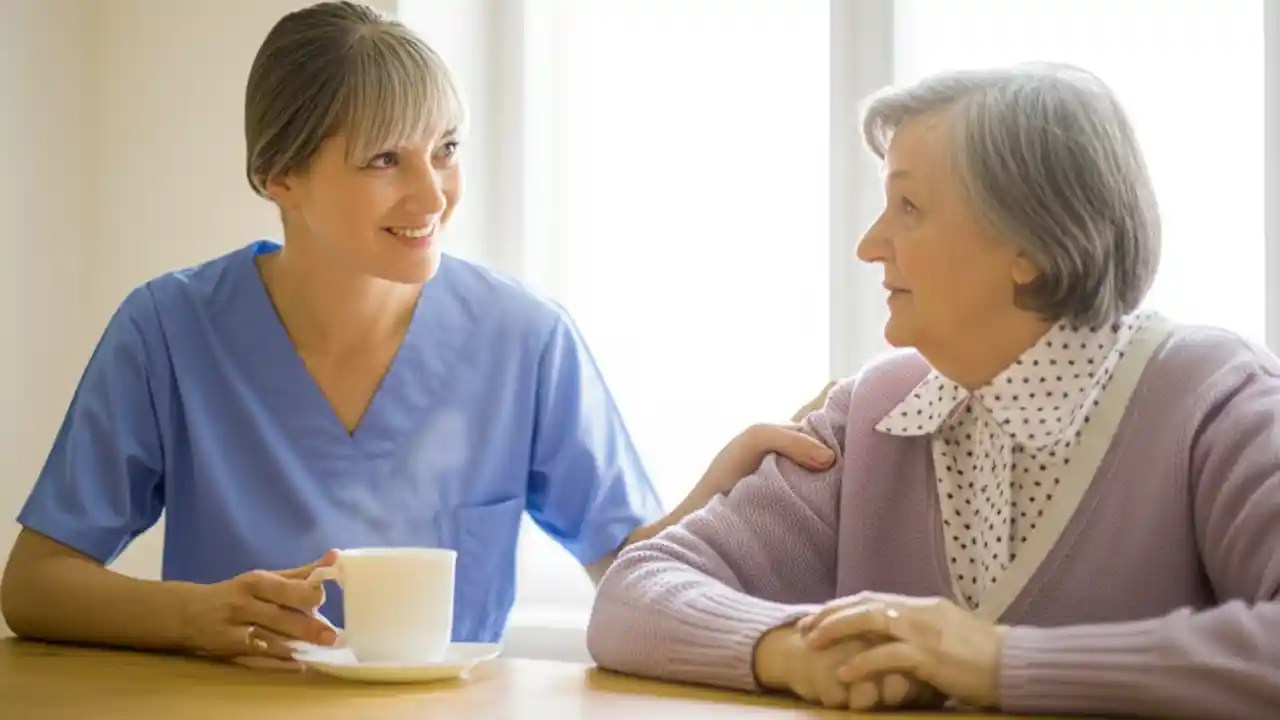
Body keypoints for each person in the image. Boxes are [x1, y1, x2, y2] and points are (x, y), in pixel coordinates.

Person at [0, 1, 833, 669]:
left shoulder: (525, 340)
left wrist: (725, 485)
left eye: (446, 149)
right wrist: (195, 615)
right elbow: (34, 586)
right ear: (277, 175)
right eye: (383, 161)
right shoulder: (167, 332)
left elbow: (629, 575)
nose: (431, 194)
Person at [587, 63, 1280, 719]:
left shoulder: (1214, 397)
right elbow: (633, 595)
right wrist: (789, 649)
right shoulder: (869, 413)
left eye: (909, 206)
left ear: (1031, 243)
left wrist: (1000, 662)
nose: (869, 244)